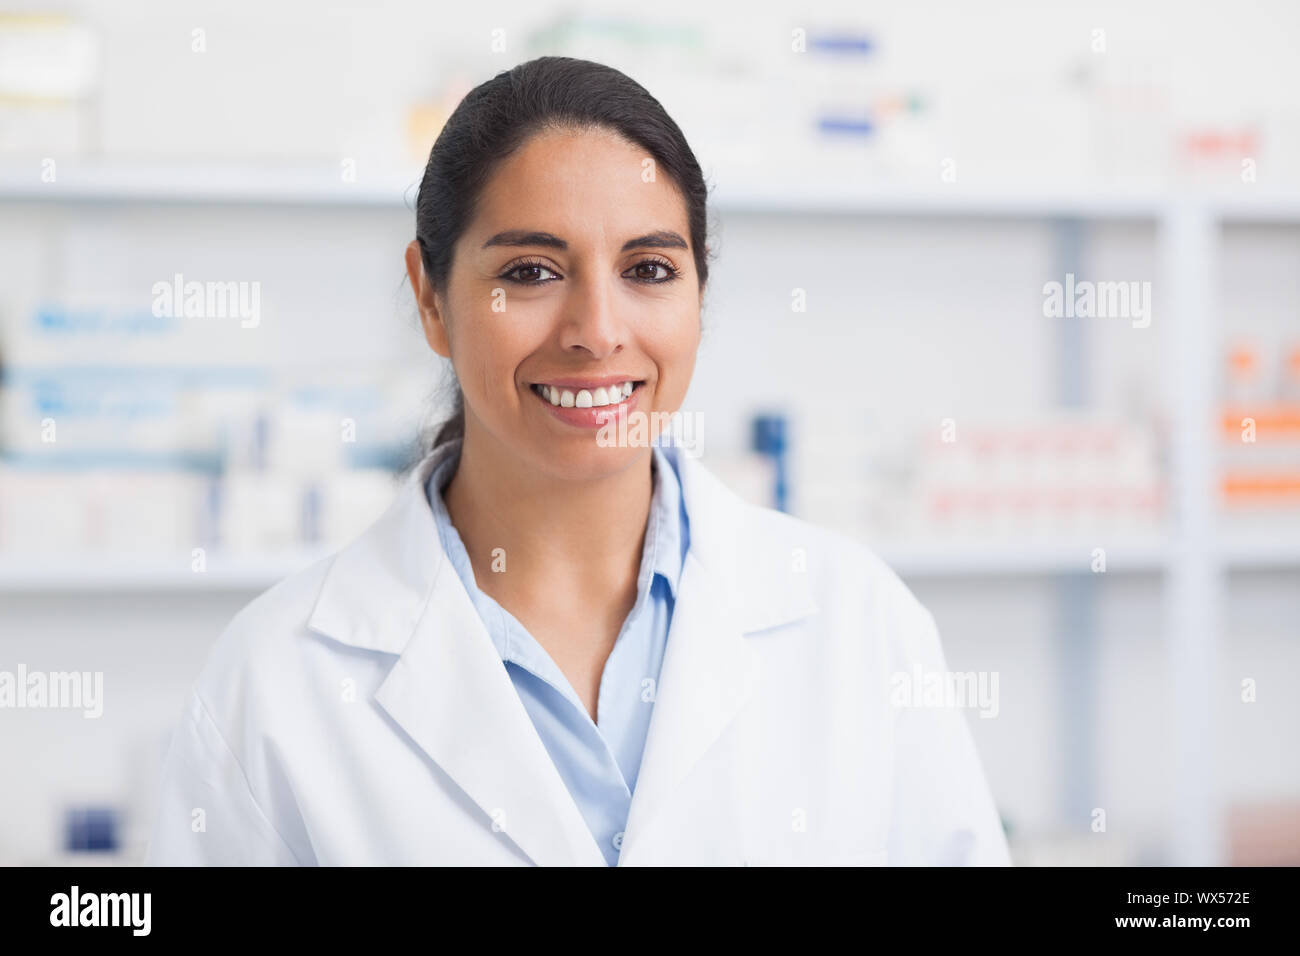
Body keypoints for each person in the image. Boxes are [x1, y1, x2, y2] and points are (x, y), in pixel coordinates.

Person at [146, 56, 1010, 866]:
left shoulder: (861, 627)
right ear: (430, 297)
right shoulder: (278, 682)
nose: (597, 331)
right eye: (530, 270)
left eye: (648, 268)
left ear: (700, 293)